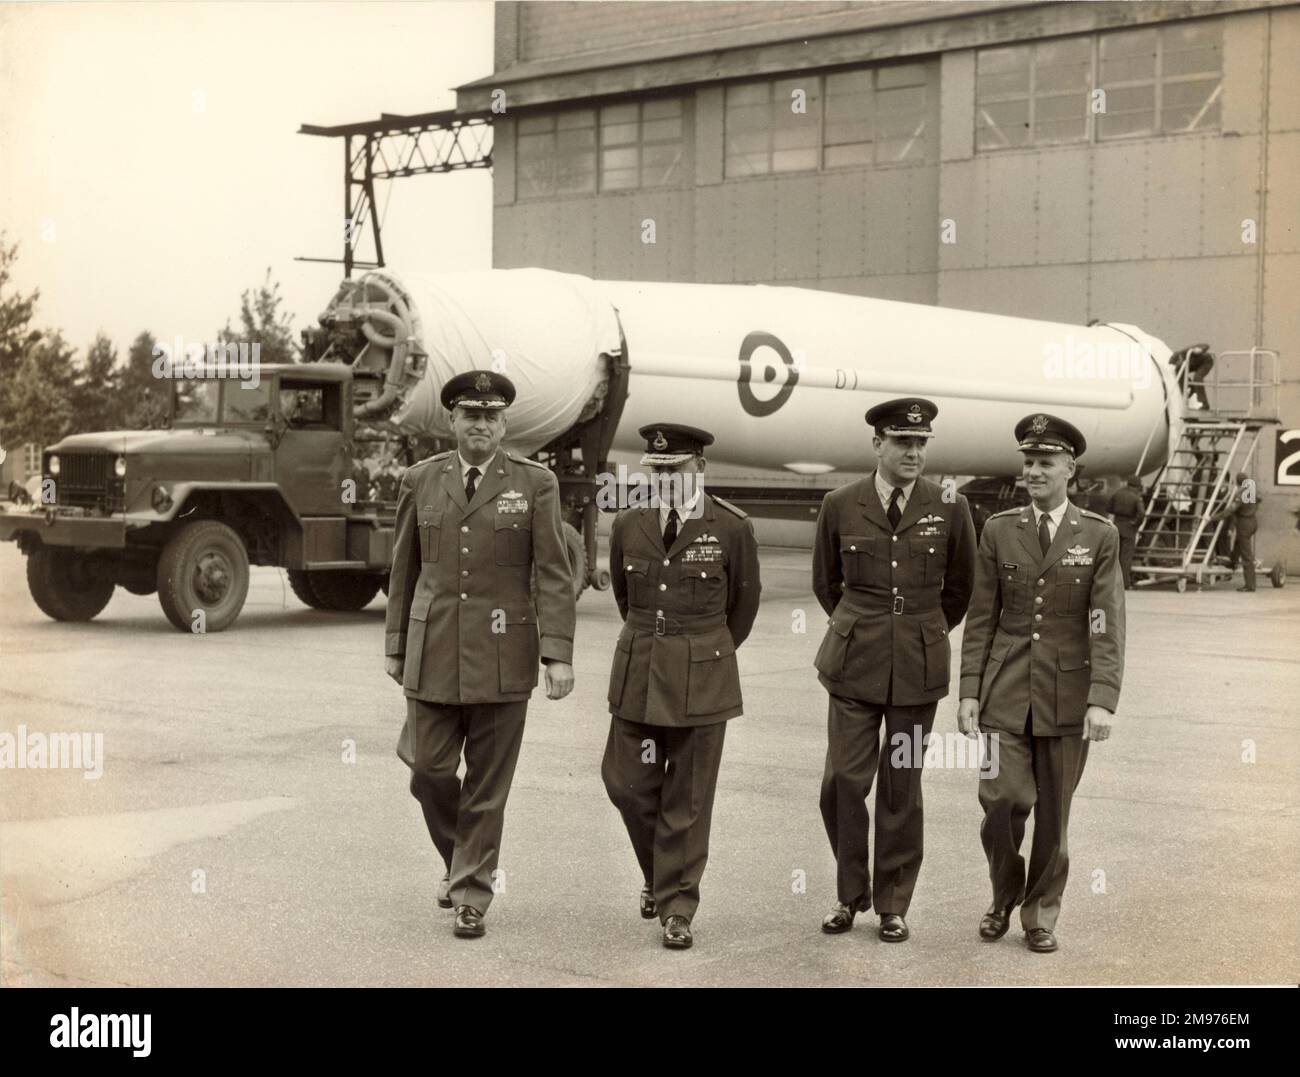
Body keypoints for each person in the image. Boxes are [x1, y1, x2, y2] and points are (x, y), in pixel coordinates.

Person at [384, 369, 576, 939]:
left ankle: (471, 891)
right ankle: (460, 860)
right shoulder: (421, 481)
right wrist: (396, 644)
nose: (481, 425)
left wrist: (557, 654)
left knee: (488, 785)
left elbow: (553, 573)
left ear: (504, 423)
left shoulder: (535, 484)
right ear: (452, 420)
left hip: (503, 655)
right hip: (433, 649)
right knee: (427, 771)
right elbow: (404, 569)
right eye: (471, 415)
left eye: (491, 416)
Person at [958, 413, 1125, 954]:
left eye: (1044, 463)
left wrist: (1102, 699)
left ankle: (1040, 915)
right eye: (1028, 461)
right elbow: (982, 616)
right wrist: (967, 692)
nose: (1033, 471)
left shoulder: (1098, 535)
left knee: (1055, 814)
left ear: (1069, 469)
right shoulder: (999, 529)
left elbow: (1105, 622)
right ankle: (1003, 895)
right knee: (1000, 799)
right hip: (1004, 691)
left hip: (1068, 697)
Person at [812, 398, 976, 942]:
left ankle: (892, 904)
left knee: (900, 787)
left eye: (921, 443)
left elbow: (960, 589)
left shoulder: (950, 506)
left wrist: (922, 632)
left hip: (915, 668)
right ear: (878, 444)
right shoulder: (841, 503)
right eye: (902, 442)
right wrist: (859, 625)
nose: (913, 452)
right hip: (853, 665)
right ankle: (849, 893)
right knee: (842, 781)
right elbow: (826, 583)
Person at [603, 423, 761, 950]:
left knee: (688, 800)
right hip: (640, 667)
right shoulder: (628, 523)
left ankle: (676, 907)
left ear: (700, 469)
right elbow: (626, 598)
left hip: (702, 675)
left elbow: (742, 608)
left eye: (678, 470)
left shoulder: (732, 528)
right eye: (659, 472)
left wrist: (702, 651)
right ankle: (660, 873)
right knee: (625, 781)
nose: (667, 480)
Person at [1210, 471, 1260, 592]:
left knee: (1246, 556)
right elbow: (1258, 501)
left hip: (1244, 524)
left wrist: (1213, 517)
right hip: (1253, 522)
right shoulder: (1252, 491)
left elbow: (1230, 511)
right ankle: (1232, 562)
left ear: (1238, 483)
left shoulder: (1241, 493)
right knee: (1238, 544)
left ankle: (1250, 585)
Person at [1108, 475, 1145, 590]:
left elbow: (1109, 508)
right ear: (1137, 486)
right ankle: (1125, 583)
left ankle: (1111, 583)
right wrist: (1135, 524)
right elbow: (1141, 514)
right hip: (1129, 527)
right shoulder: (1136, 497)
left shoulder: (1117, 493)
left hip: (1117, 525)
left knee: (1114, 556)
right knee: (1126, 557)